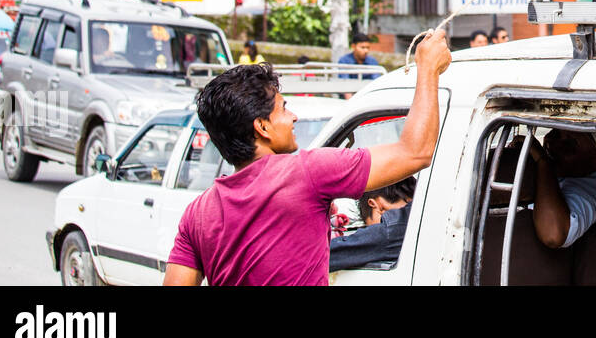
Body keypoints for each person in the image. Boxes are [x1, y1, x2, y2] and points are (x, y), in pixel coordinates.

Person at [162, 29, 451, 286]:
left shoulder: (197, 213)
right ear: (262, 128)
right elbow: (416, 152)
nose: (293, 117)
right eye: (283, 109)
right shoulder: (308, 172)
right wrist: (427, 70)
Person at [522, 129, 596, 249]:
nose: (553, 145)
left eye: (570, 144)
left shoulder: (593, 195)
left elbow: (552, 235)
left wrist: (542, 161)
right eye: (554, 134)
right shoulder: (568, 175)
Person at [328, 177, 417, 271]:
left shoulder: (392, 230)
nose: (372, 232)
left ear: (375, 204)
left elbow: (321, 256)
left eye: (372, 227)